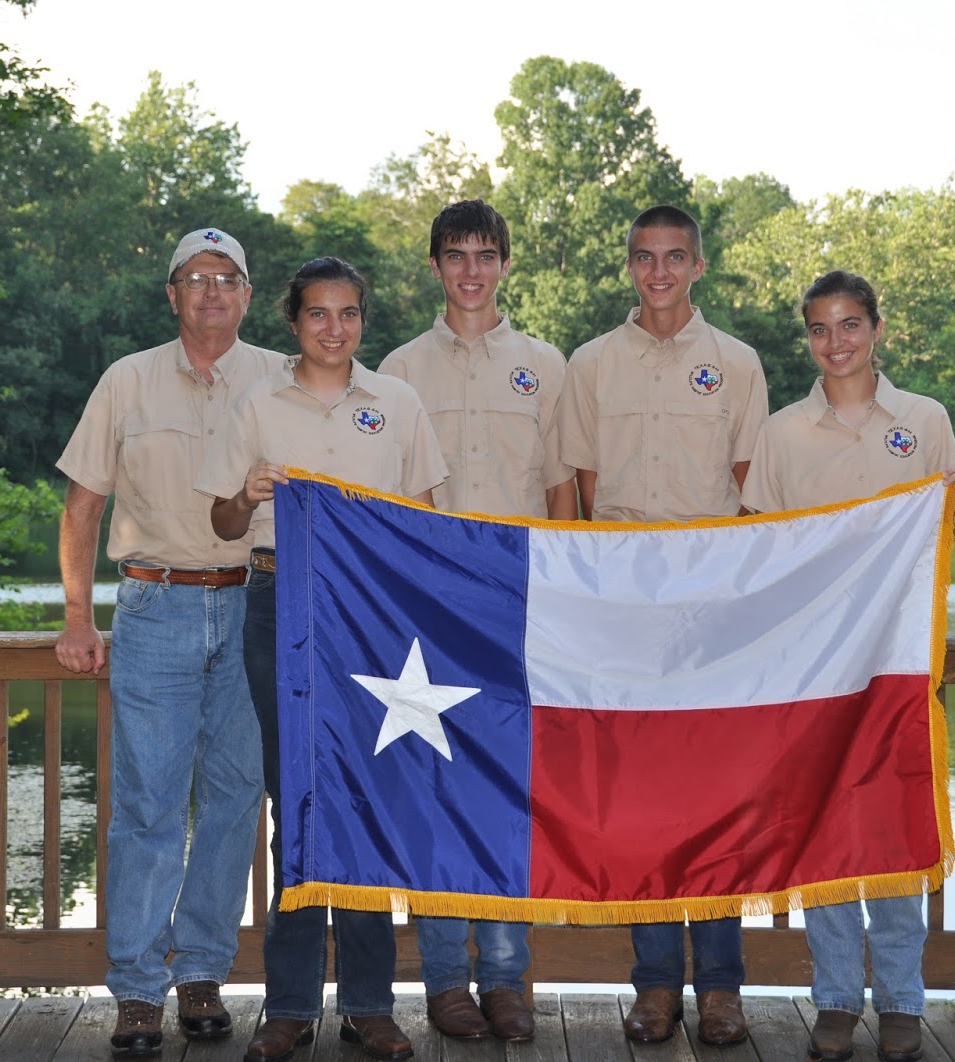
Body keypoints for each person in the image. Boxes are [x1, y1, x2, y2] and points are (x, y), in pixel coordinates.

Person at [198, 257, 448, 1062]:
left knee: (367, 799)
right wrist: (249, 494)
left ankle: (371, 1004)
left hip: (374, 619)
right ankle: (291, 1004)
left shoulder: (398, 403)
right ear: (294, 321)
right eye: (317, 315)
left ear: (362, 321)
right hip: (280, 603)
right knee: (297, 801)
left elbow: (427, 521)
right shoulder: (255, 402)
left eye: (347, 314)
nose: (333, 328)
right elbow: (224, 524)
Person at [54, 228, 285, 1059]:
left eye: (228, 279)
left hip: (256, 607)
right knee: (149, 806)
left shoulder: (279, 379)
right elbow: (82, 507)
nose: (213, 292)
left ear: (249, 295)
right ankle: (139, 989)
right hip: (156, 608)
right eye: (197, 279)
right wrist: (80, 619)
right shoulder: (127, 382)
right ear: (173, 293)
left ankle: (203, 974)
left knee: (233, 802)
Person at [741, 269, 955, 1062]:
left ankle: (903, 1000)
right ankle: (837, 999)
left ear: (878, 327)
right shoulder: (781, 433)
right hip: (814, 671)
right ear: (806, 337)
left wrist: (945, 518)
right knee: (828, 833)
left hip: (900, 663)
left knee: (895, 828)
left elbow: (935, 548)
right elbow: (758, 551)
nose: (834, 343)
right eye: (818, 329)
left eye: (849, 325)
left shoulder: (925, 419)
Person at [557, 204, 768, 1046]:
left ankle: (720, 987)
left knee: (714, 798)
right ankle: (654, 985)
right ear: (629, 265)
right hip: (618, 599)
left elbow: (755, 489)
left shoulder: (739, 364)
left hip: (709, 598)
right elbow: (575, 487)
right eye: (644, 258)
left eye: (675, 258)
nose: (659, 273)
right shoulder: (591, 364)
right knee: (640, 799)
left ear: (699, 265)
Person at [376, 199, 573, 1044]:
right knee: (435, 791)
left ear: (504, 264)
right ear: (434, 266)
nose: (470, 270)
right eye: (454, 255)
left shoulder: (544, 364)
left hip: (519, 611)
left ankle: (504, 977)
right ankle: (446, 981)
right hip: (428, 614)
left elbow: (563, 489)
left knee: (506, 796)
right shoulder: (394, 369)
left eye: (485, 254)